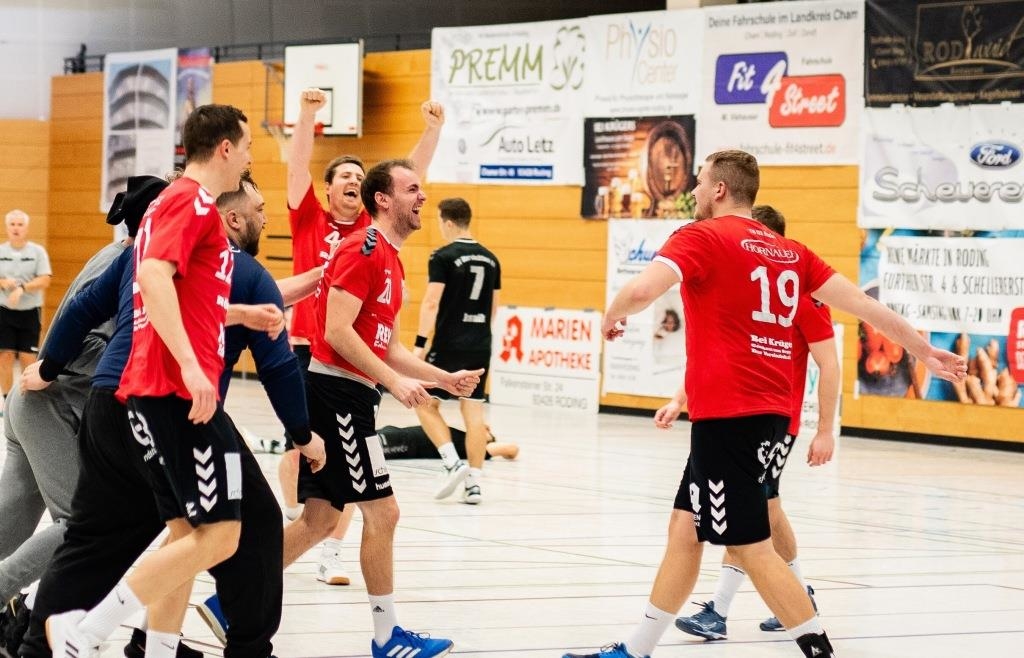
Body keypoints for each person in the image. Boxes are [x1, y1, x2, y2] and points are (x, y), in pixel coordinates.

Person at [563, 149, 966, 658]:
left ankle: (820, 651)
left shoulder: (700, 236)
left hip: (730, 418)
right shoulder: (791, 253)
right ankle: (635, 649)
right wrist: (923, 349)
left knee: (752, 545)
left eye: (700, 180)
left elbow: (644, 289)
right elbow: (866, 306)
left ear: (719, 190)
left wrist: (613, 314)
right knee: (685, 530)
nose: (693, 190)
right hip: (768, 416)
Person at [16, 170, 325, 658]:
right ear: (232, 217)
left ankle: (46, 646)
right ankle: (244, 649)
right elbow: (280, 368)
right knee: (252, 524)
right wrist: (304, 435)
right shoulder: (241, 268)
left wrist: (49, 367)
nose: (266, 219)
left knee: (117, 536)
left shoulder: (140, 254)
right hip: (173, 408)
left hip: (108, 404)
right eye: (260, 211)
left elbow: (79, 309)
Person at [292, 158, 480, 658]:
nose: (422, 197)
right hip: (337, 396)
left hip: (348, 396)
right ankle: (387, 636)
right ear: (384, 199)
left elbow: (388, 346)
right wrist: (394, 384)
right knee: (384, 513)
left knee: (316, 521)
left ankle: (230, 599)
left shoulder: (391, 261)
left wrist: (443, 380)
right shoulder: (364, 248)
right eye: (413, 189)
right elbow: (334, 331)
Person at [277, 87, 445, 586]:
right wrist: (306, 116)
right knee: (306, 455)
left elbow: (403, 180)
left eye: (358, 175)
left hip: (356, 362)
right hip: (316, 351)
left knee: (335, 498)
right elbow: (298, 166)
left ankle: (325, 551)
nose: (352, 178)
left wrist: (432, 132)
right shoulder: (313, 218)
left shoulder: (375, 242)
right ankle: (298, 531)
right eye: (343, 175)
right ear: (328, 190)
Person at [666, 204, 839, 640]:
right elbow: (720, 350)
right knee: (765, 508)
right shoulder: (747, 283)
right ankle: (797, 593)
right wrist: (680, 398)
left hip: (774, 418)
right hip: (745, 414)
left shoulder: (796, 287)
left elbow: (830, 364)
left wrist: (824, 429)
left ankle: (723, 610)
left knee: (751, 513)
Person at [411, 197, 501, 504]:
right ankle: (474, 484)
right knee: (473, 411)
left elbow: (432, 302)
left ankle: (453, 463)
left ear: (448, 222)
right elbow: (494, 309)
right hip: (480, 343)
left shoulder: (443, 256)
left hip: (449, 345)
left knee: (423, 403)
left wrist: (420, 345)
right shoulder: (492, 258)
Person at [0, 209, 52, 401]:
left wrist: (23, 288)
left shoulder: (37, 252)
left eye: (20, 224)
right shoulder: (1, 251)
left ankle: (25, 400)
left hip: (29, 312)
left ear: (26, 228)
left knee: (27, 358)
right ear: (7, 227)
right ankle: (7, 400)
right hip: (4, 312)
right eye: (12, 224)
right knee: (4, 356)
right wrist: (3, 282)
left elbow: (45, 279)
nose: (16, 228)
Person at [378, 424, 519, 461]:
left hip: (404, 445)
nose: (486, 428)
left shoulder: (473, 449)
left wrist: (506, 453)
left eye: (488, 432)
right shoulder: (461, 435)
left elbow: (512, 449)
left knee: (366, 450)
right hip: (395, 432)